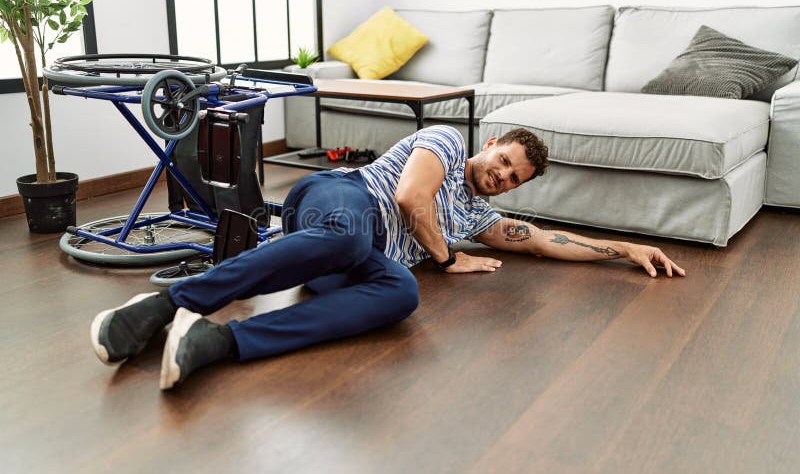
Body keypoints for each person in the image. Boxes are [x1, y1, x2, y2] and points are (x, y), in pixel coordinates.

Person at [90, 125, 685, 390]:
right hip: (342, 200)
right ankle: (166, 306)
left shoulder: (479, 216)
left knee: (402, 292)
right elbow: (409, 198)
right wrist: (449, 259)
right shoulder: (447, 142)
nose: (503, 177)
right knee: (358, 240)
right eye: (504, 162)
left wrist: (622, 249)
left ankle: (217, 344)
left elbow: (541, 238)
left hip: (354, 258)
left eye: (513, 180)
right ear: (491, 143)